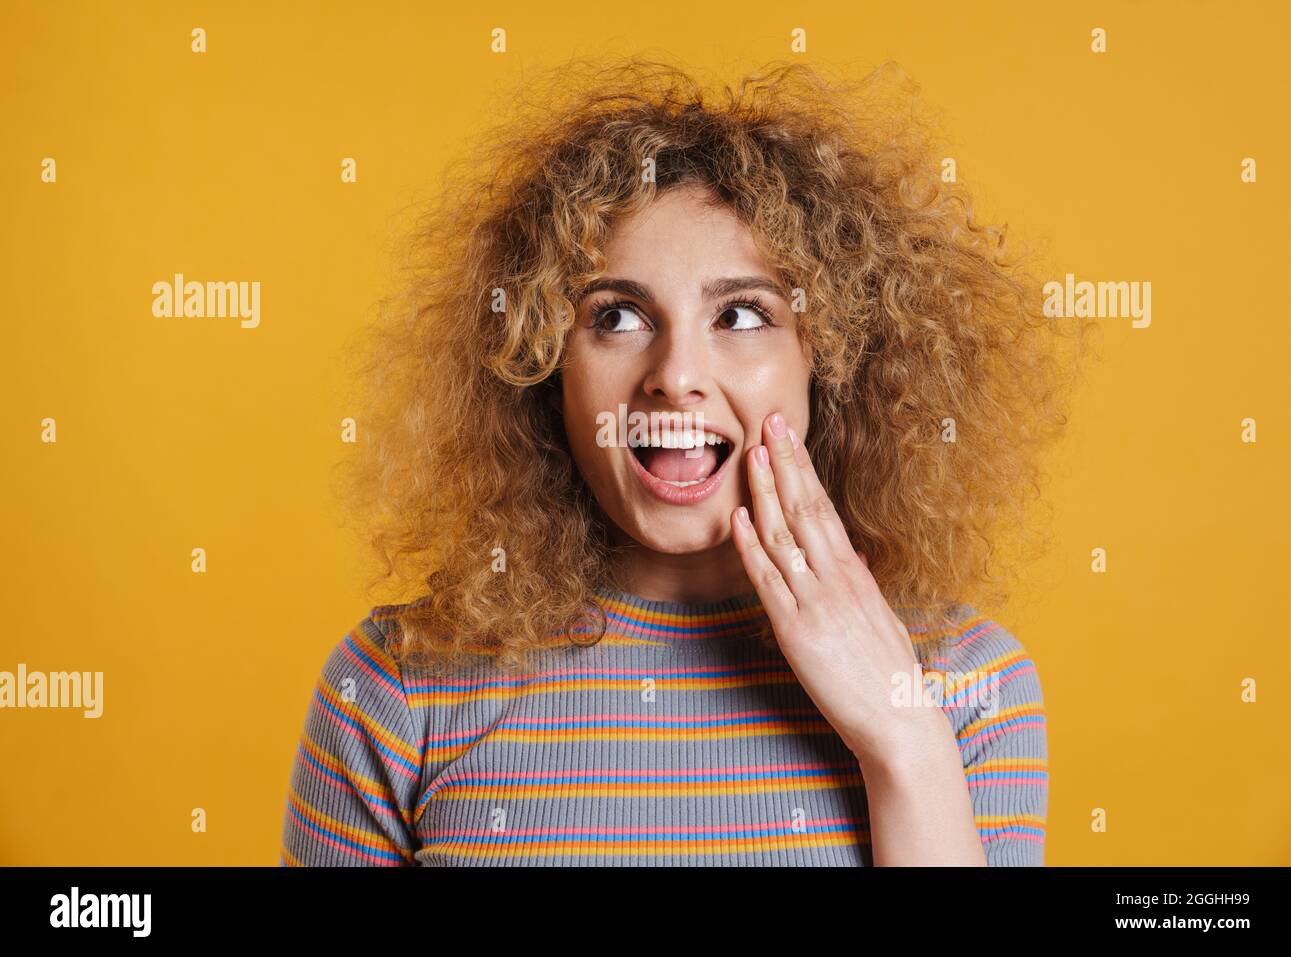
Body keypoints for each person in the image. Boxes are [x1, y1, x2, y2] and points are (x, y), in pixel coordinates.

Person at [281, 56, 1086, 866]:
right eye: (619, 316)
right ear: (543, 360)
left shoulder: (969, 686)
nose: (675, 375)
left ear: (831, 358)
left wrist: (905, 742)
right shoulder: (393, 687)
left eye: (741, 314)